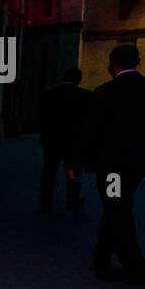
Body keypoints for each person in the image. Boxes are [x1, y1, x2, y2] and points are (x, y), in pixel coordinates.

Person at [85, 44, 145, 284]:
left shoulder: (104, 92)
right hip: (138, 164)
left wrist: (83, 162)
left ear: (112, 64)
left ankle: (134, 266)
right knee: (117, 206)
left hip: (112, 167)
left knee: (117, 210)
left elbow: (93, 133)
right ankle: (101, 254)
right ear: (138, 62)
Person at [38, 67, 91, 214]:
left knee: (49, 171)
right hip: (74, 142)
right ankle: (72, 200)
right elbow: (89, 121)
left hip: (52, 140)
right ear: (79, 79)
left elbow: (41, 116)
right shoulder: (86, 96)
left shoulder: (49, 94)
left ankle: (46, 202)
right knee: (74, 171)